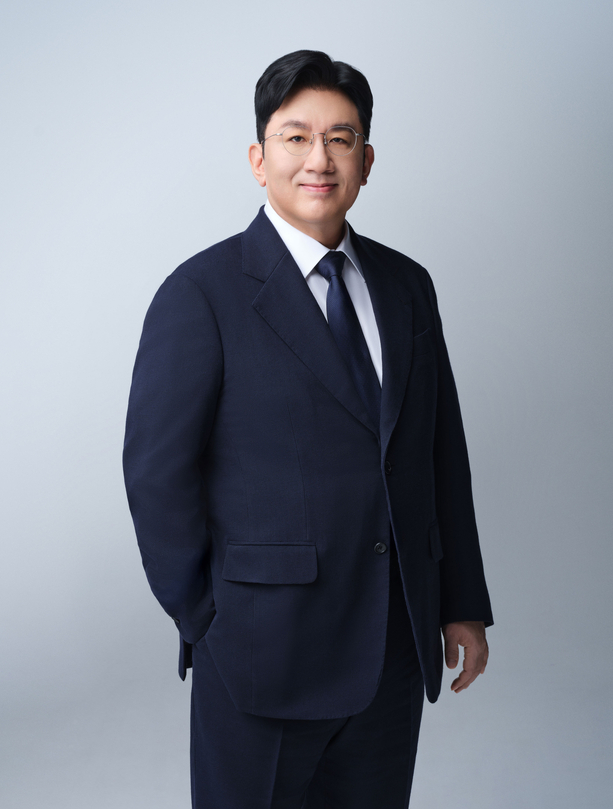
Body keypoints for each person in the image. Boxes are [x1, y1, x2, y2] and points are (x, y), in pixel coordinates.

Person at [123, 49, 493, 809]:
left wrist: (460, 600)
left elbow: (439, 452)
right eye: (295, 138)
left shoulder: (407, 286)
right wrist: (207, 619)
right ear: (259, 159)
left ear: (367, 161)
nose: (318, 159)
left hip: (392, 646)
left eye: (340, 139)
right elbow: (156, 474)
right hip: (261, 652)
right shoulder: (201, 293)